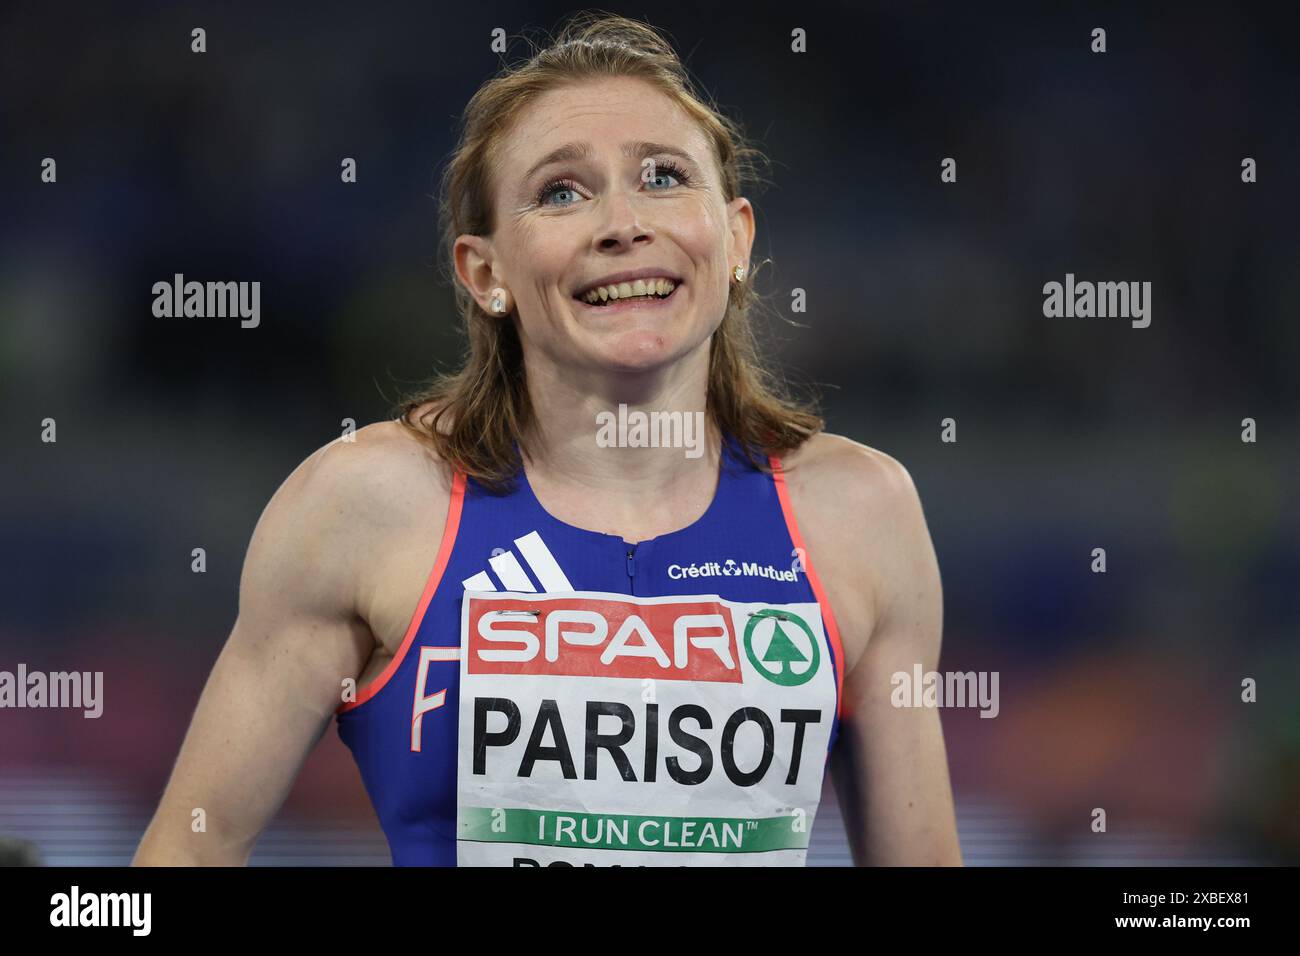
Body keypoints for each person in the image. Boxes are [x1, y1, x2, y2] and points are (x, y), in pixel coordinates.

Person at [133, 12, 960, 867]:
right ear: (485, 274)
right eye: (561, 192)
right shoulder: (366, 504)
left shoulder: (862, 514)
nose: (622, 223)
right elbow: (191, 850)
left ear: (737, 238)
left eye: (665, 176)